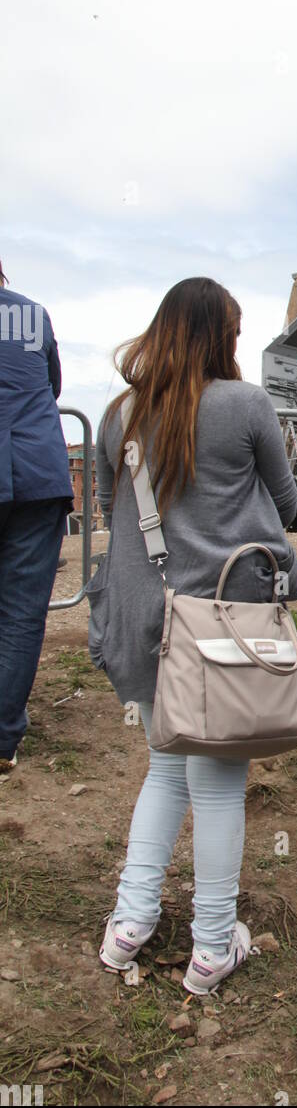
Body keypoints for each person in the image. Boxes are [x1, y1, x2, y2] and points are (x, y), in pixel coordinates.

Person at [93, 278, 297, 992]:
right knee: (216, 789)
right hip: (220, 628)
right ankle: (213, 943)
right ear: (220, 336)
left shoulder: (116, 415)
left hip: (146, 623)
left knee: (163, 770)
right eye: (235, 334)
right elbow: (285, 501)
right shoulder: (245, 404)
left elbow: (109, 507)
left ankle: (129, 926)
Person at [0, 259, 73, 777]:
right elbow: (52, 385)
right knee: (23, 612)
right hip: (37, 473)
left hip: (30, 474)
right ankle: (2, 739)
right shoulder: (31, 314)